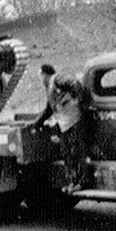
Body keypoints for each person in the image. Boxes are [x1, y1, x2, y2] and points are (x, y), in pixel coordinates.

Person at [32, 64, 88, 193]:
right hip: (65, 122)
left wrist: (79, 101)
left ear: (45, 74)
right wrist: (37, 123)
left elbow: (74, 83)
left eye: (40, 75)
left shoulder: (57, 79)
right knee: (68, 153)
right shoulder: (50, 87)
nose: (40, 79)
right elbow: (49, 109)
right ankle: (74, 182)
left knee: (77, 151)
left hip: (73, 118)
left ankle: (82, 181)